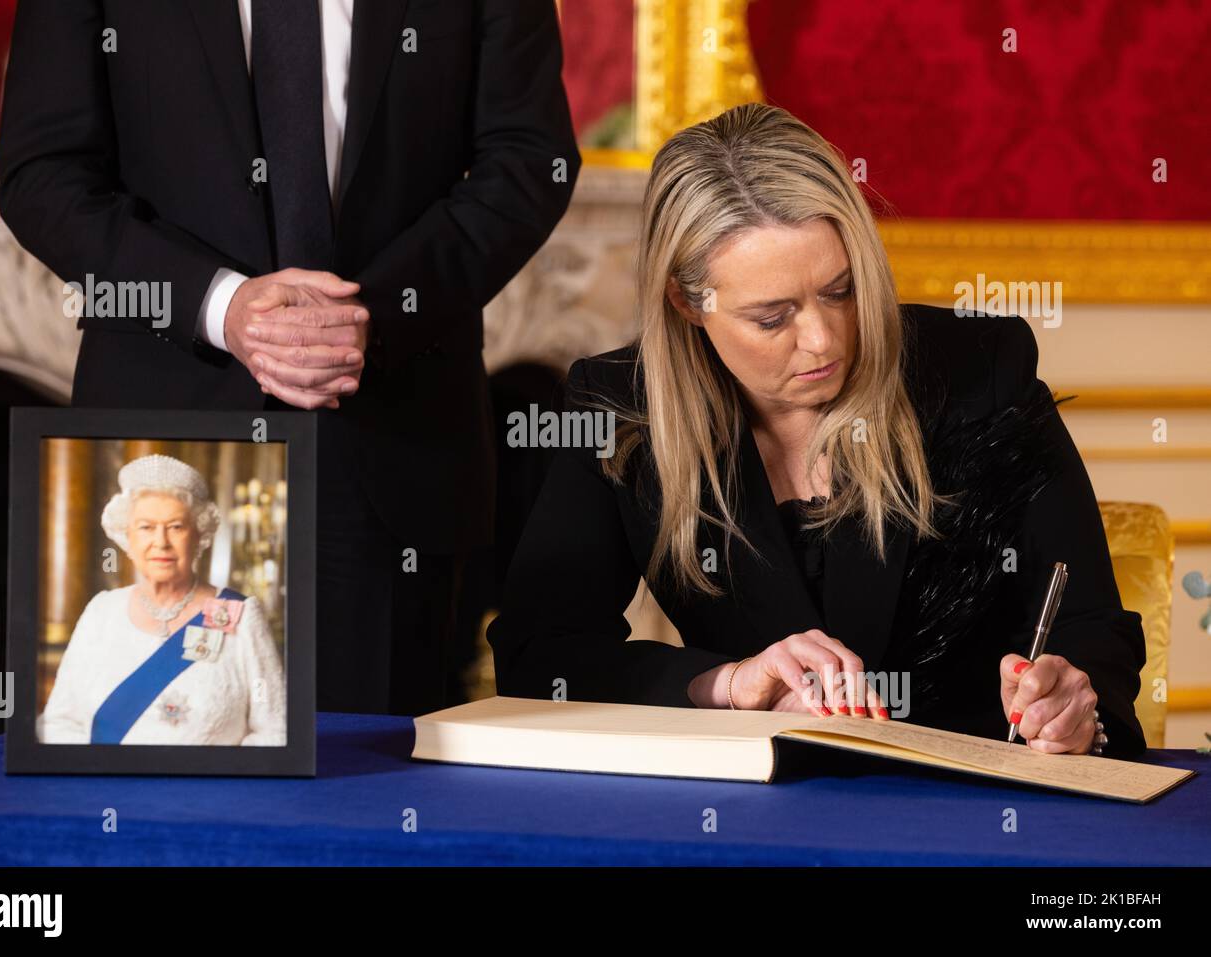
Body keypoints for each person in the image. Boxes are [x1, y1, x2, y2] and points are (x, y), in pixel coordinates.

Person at [488, 103, 1146, 757]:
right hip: (752, 819)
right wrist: (726, 685)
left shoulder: (978, 369)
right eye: (772, 318)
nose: (823, 339)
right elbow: (540, 655)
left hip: (970, 806)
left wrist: (1075, 704)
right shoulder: (618, 409)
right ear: (687, 301)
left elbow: (1090, 624)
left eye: (840, 289)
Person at [0, 0, 581, 715]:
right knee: (159, 796)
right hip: (166, 435)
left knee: (370, 796)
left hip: (388, 454)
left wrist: (370, 316)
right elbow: (43, 173)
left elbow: (529, 161)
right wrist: (221, 306)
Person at [39, 455, 286, 745]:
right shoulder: (101, 612)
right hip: (108, 787)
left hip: (208, 789)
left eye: (176, 527)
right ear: (127, 537)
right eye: (146, 527)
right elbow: (60, 720)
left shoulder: (239, 615)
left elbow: (273, 728)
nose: (161, 541)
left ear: (200, 536)